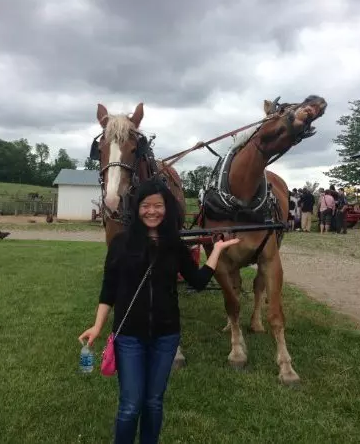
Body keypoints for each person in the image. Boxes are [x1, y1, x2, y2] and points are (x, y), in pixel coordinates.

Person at [78, 177, 239, 444]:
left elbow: (197, 282)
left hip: (166, 336)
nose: (152, 211)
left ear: (167, 209)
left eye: (158, 205)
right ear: (136, 208)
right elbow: (109, 290)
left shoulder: (174, 243)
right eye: (146, 205)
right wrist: (97, 325)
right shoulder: (121, 243)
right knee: (130, 406)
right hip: (129, 337)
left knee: (153, 402)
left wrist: (217, 251)